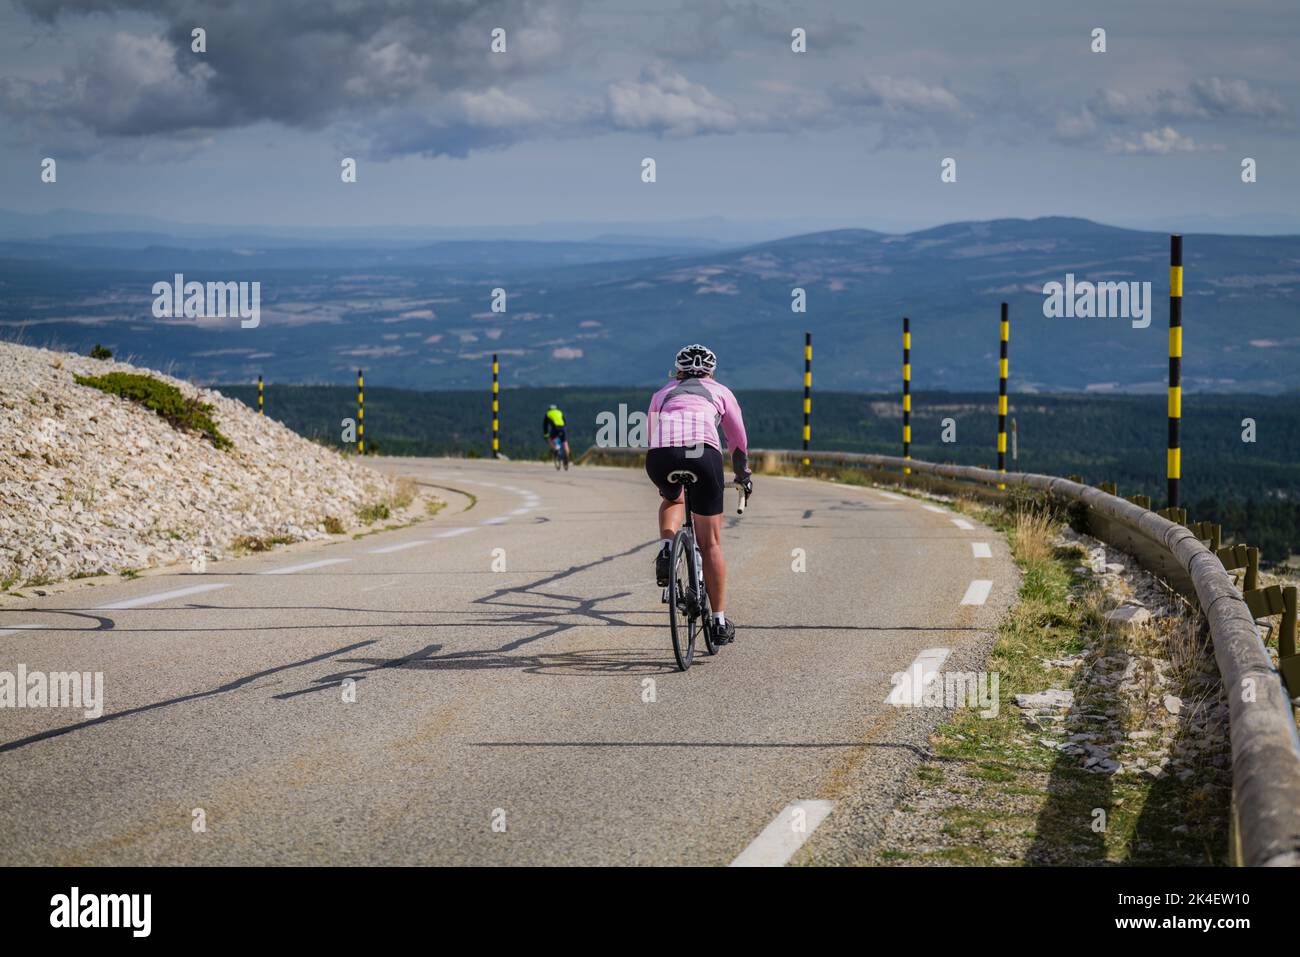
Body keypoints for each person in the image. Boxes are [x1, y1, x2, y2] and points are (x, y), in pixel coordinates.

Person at [645, 343, 752, 645]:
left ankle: (667, 547)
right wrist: (743, 476)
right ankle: (718, 622)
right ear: (711, 371)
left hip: (661, 455)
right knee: (711, 543)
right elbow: (737, 439)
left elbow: (651, 432)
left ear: (677, 371)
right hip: (703, 455)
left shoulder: (661, 393)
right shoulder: (721, 392)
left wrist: (661, 469)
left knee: (673, 498)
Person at [542, 404, 569, 468]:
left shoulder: (548, 413)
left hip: (555, 428)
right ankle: (566, 456)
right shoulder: (560, 412)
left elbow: (545, 426)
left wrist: (546, 435)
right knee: (564, 442)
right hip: (562, 428)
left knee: (550, 439)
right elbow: (564, 422)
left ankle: (555, 449)